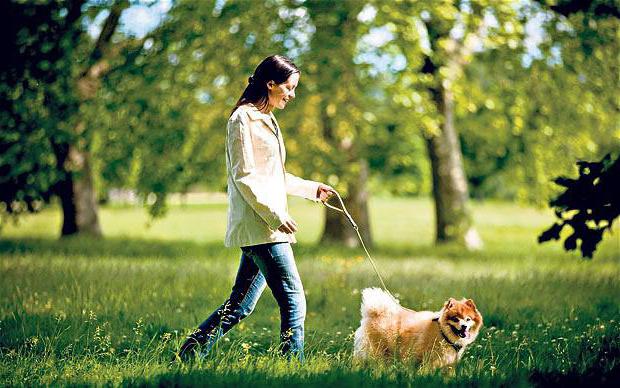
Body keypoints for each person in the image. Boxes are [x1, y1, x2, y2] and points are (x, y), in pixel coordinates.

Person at [173, 55, 335, 363]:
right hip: (262, 227)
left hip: (265, 227)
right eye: (289, 87)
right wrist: (275, 216)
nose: (293, 94)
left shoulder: (268, 118)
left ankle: (189, 355)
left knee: (241, 304)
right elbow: (244, 176)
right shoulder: (242, 120)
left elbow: (273, 175)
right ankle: (292, 366)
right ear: (270, 84)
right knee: (293, 298)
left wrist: (312, 189)